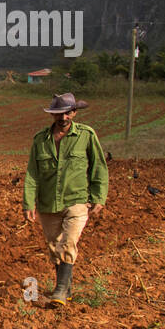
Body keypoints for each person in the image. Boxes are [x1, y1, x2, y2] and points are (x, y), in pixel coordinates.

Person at [22, 93, 108, 304]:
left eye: (68, 113)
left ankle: (59, 290)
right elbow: (33, 173)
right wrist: (28, 202)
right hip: (48, 202)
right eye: (59, 114)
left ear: (74, 113)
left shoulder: (86, 135)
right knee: (54, 246)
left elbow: (99, 167)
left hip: (77, 199)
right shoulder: (41, 140)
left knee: (68, 243)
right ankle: (66, 288)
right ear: (53, 115)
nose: (63, 118)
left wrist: (99, 197)